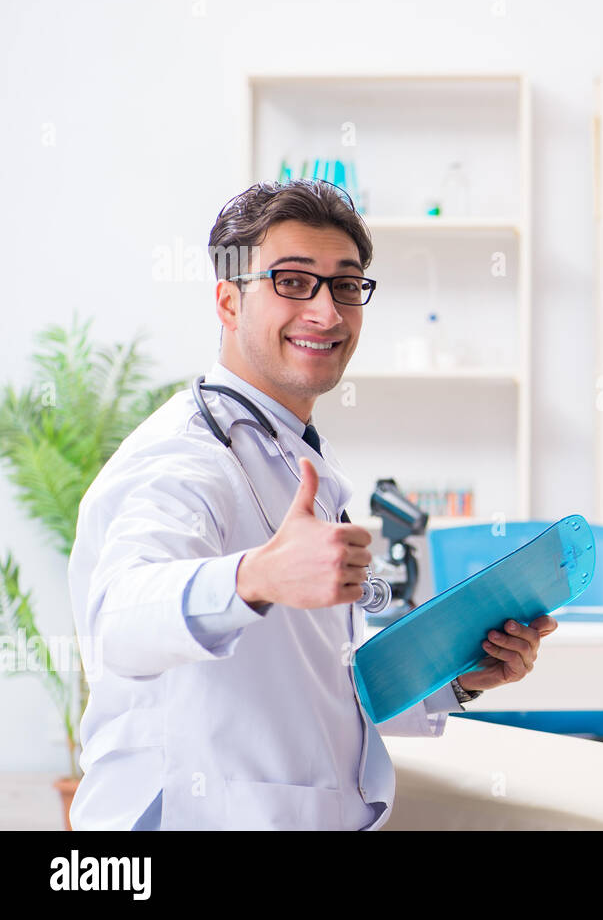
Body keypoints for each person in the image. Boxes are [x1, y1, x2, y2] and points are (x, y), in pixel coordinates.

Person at [67, 179, 556, 830]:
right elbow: (117, 621)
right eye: (293, 281)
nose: (326, 312)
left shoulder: (291, 453)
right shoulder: (186, 457)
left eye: (346, 285)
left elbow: (317, 679)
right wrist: (257, 577)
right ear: (228, 300)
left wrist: (460, 674)